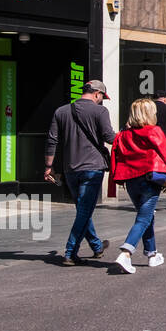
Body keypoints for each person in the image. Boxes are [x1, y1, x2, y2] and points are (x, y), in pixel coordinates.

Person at [108, 97, 166, 273]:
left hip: (130, 180)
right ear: (150, 113)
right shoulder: (154, 131)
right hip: (150, 179)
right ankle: (126, 253)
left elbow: (116, 156)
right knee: (143, 218)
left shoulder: (123, 134)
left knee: (146, 216)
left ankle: (152, 254)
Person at [45, 80, 116, 266]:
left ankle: (97, 246)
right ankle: (70, 252)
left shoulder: (61, 111)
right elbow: (109, 137)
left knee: (83, 210)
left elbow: (52, 140)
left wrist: (48, 166)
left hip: (71, 169)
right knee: (84, 211)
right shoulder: (100, 111)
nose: (101, 101)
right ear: (97, 94)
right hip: (93, 168)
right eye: (102, 98)